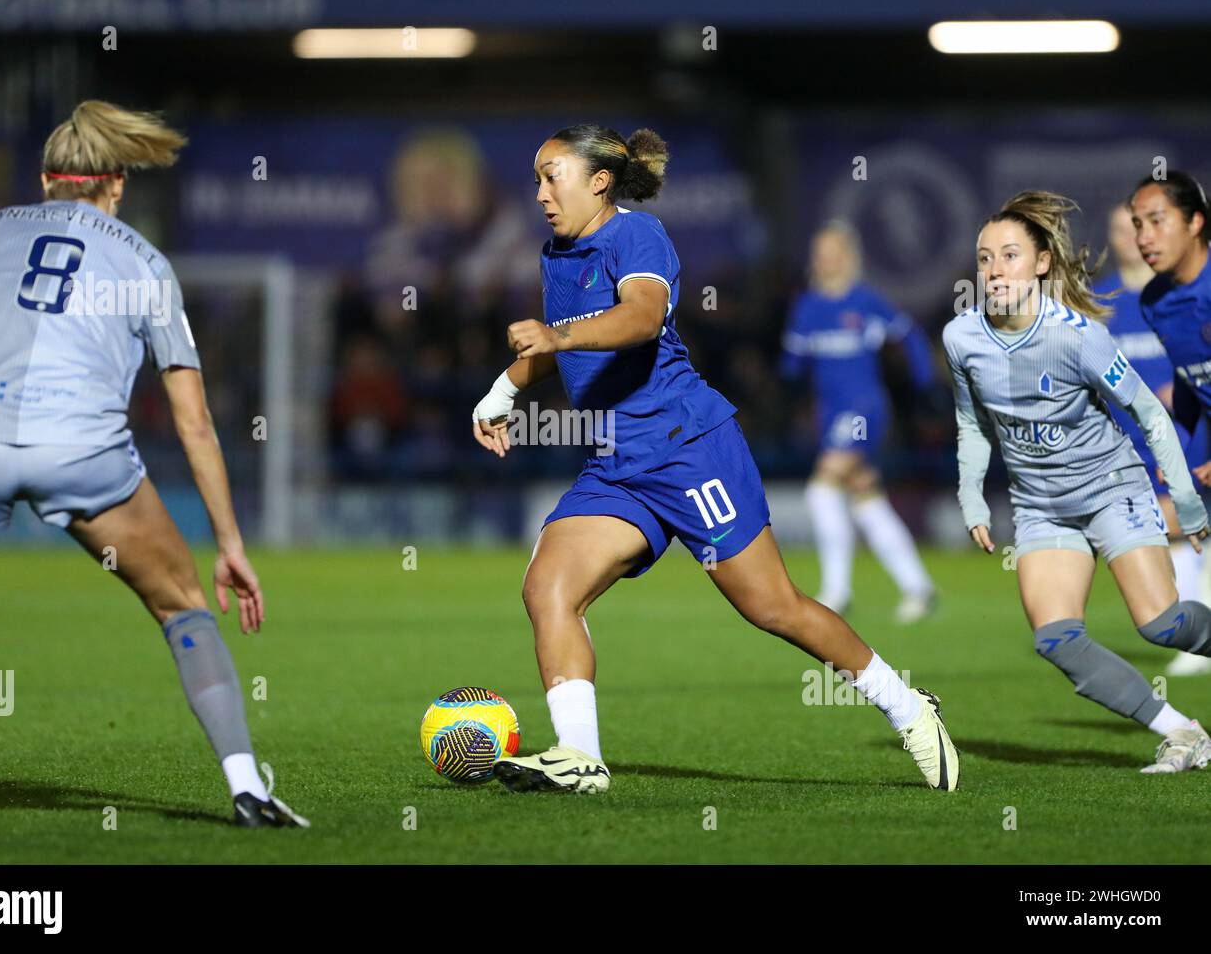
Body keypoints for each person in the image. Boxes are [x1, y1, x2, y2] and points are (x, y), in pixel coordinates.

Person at [471, 124, 959, 794]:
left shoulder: (636, 235)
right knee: (547, 586)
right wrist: (501, 393)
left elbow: (639, 319)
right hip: (619, 466)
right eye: (535, 179)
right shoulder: (556, 253)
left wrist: (556, 336)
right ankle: (579, 757)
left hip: (687, 448)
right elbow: (563, 352)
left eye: (552, 175)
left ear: (600, 181)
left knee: (773, 607)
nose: (540, 194)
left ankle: (909, 709)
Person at [0, 100, 307, 827]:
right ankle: (247, 787)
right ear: (116, 186)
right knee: (184, 605)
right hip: (82, 456)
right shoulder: (146, 262)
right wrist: (229, 544)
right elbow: (193, 421)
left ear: (43, 179)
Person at [945, 190, 1211, 774]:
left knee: (1162, 624)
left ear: (1042, 263)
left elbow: (1149, 412)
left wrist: (1188, 506)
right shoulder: (961, 338)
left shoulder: (1077, 335)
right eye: (985, 258)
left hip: (1111, 487)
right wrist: (972, 496)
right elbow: (971, 422)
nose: (994, 271)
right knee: (1056, 639)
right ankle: (1183, 733)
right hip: (1040, 506)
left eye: (1009, 255)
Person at [781, 222, 938, 622]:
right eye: (821, 252)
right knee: (866, 498)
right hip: (830, 414)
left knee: (822, 489)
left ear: (849, 257)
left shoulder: (867, 302)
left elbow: (911, 336)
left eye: (834, 252)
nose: (827, 260)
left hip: (865, 408)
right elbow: (793, 366)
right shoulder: (807, 307)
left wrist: (924, 382)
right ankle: (917, 586)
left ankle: (836, 590)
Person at [1096, 200, 1211, 676]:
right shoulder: (1099, 302)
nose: (1131, 238)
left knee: (1175, 521)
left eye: (1138, 227)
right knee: (1172, 531)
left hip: (1182, 429)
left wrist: (1181, 385)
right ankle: (1193, 627)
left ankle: (1192, 631)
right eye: (1122, 229)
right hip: (1124, 441)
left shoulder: (1176, 297)